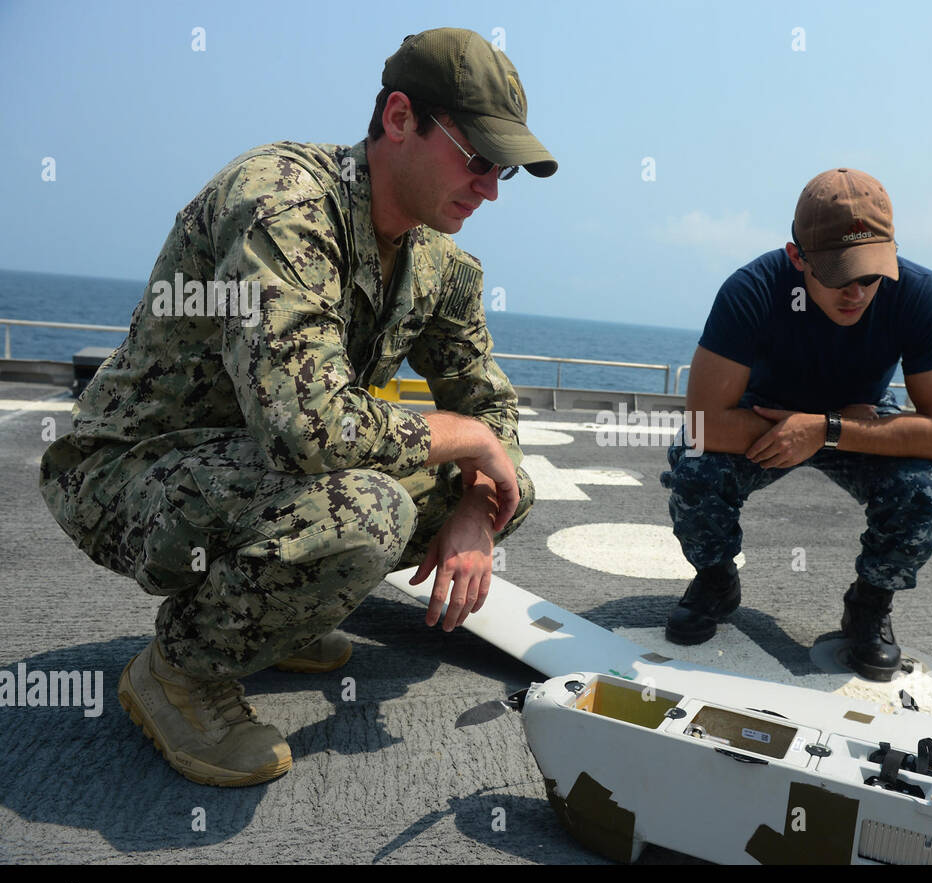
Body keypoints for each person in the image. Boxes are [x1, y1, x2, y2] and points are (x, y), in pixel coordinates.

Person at [38, 28, 556, 786]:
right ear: (400, 118)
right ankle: (179, 671)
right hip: (133, 473)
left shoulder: (439, 263)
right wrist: (466, 434)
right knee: (365, 511)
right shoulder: (282, 203)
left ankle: (277, 617)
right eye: (478, 158)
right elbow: (308, 427)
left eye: (503, 168)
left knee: (508, 484)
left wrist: (479, 503)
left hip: (257, 468)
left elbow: (492, 413)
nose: (492, 188)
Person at [660, 168, 932, 681]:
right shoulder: (751, 290)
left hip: (856, 419)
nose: (857, 292)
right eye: (837, 275)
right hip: (766, 416)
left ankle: (869, 605)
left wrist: (824, 428)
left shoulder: (920, 294)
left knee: (921, 490)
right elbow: (701, 424)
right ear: (796, 256)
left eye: (870, 275)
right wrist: (809, 426)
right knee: (696, 468)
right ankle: (716, 581)